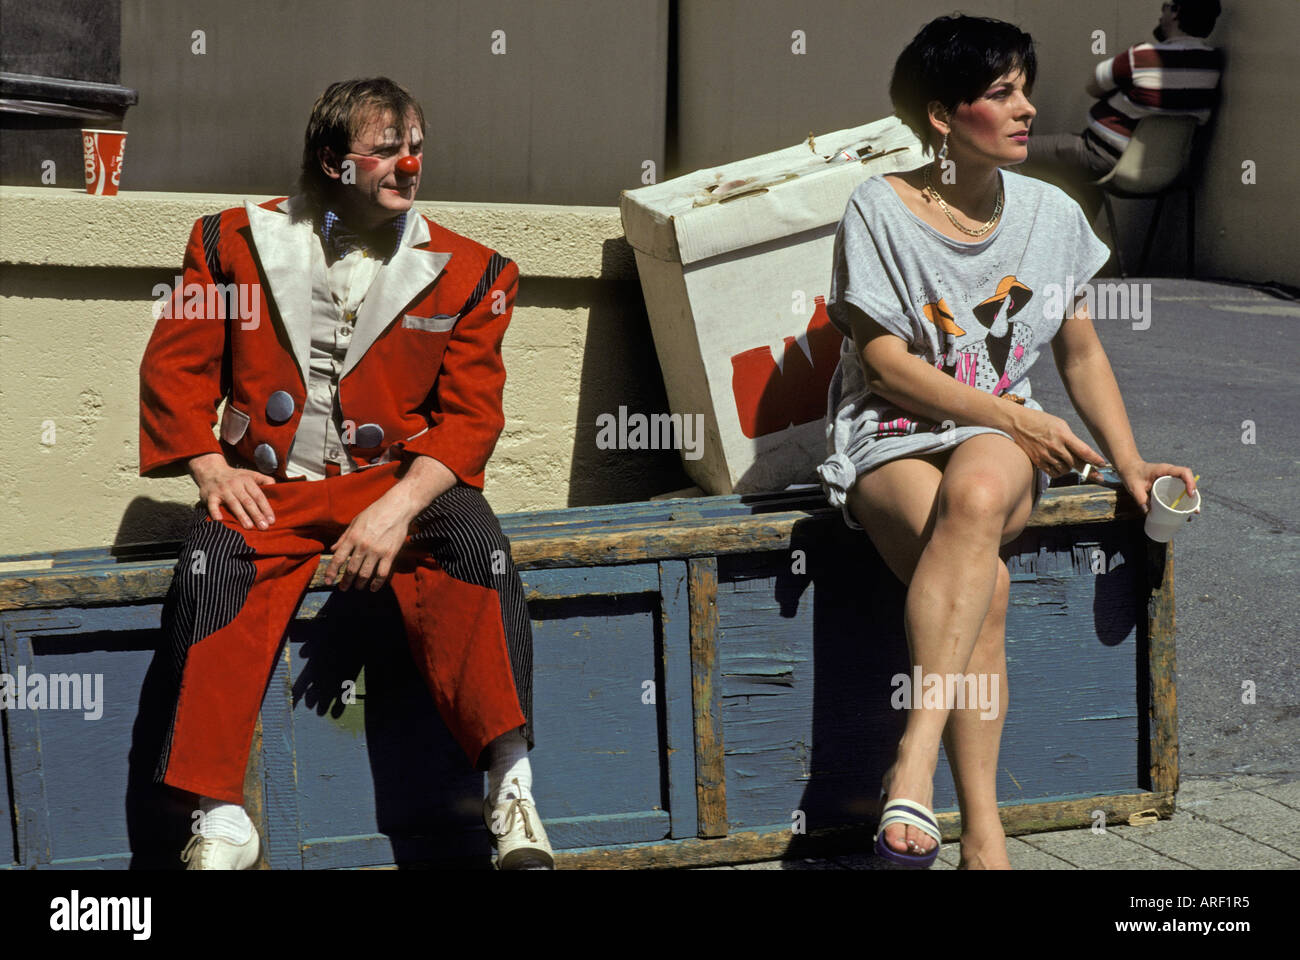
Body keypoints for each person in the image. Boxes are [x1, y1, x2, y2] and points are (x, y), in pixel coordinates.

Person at [139, 77, 553, 870]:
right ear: (333, 162)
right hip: (273, 484)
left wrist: (397, 508)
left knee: (479, 548)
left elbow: (471, 417)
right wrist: (209, 469)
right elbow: (177, 371)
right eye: (386, 151)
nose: (409, 166)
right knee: (209, 563)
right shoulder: (230, 243)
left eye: (417, 148)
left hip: (399, 482)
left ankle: (512, 789)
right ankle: (220, 814)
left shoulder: (473, 271)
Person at [816, 15, 1197, 869]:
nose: (1027, 107)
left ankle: (911, 766)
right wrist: (1017, 417)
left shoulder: (1051, 214)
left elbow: (1081, 350)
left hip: (992, 440)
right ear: (944, 117)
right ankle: (984, 832)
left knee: (982, 493)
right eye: (1002, 93)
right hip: (890, 436)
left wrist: (1128, 461)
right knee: (981, 583)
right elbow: (883, 367)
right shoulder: (880, 208)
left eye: (1025, 87)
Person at [1021, 0, 1223, 220]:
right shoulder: (1213, 63)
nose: (1161, 12)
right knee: (1080, 181)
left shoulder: (1143, 57)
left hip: (1101, 156)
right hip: (1168, 172)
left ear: (1176, 12)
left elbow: (1093, 87)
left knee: (1011, 153)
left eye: (1166, 5)